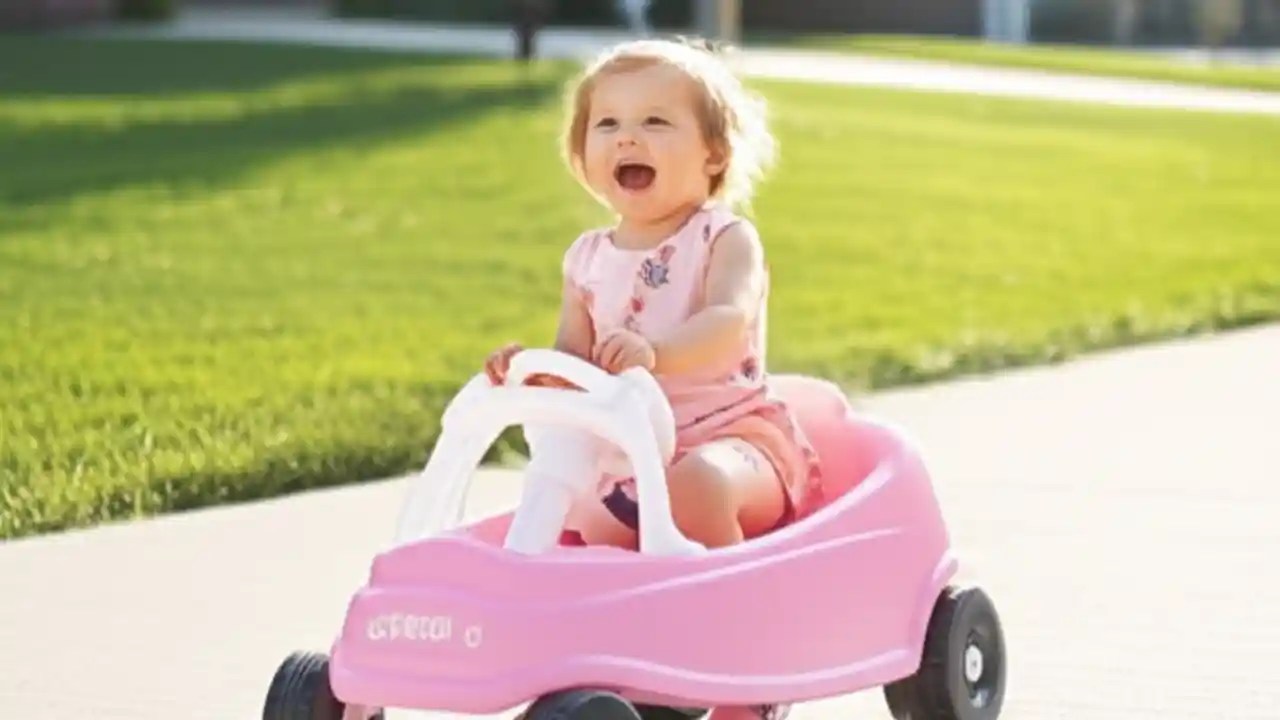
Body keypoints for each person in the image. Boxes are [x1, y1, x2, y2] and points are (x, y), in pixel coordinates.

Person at [489, 37, 818, 720]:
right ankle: (614, 665)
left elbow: (729, 317)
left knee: (695, 486)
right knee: (566, 517)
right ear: (582, 154)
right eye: (607, 124)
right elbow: (572, 362)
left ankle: (747, 666)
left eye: (655, 122)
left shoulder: (723, 238)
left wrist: (656, 353)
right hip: (632, 463)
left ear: (714, 154)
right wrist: (531, 376)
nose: (627, 138)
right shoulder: (585, 260)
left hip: (734, 441)